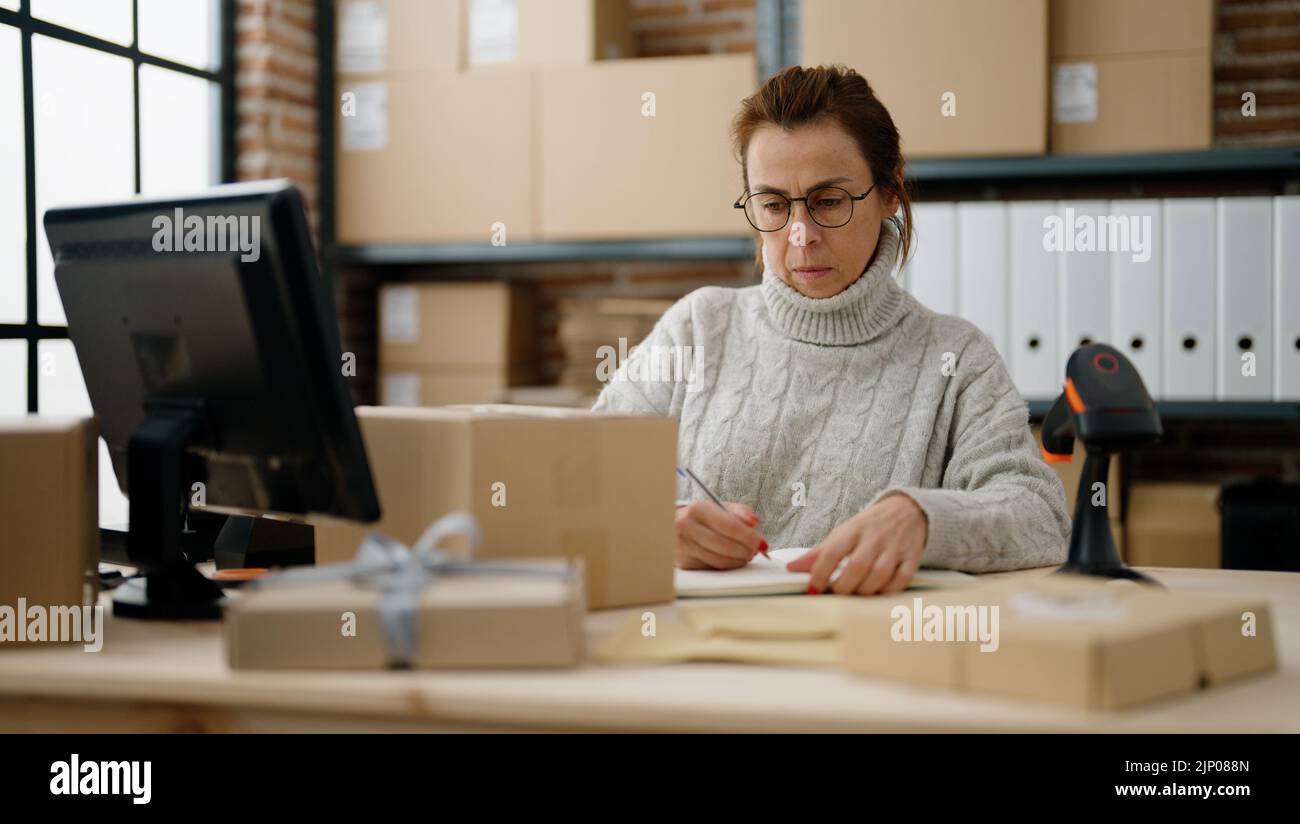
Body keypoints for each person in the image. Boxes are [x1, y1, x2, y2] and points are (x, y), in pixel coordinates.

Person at [593, 65, 1070, 596]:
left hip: (865, 660)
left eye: (829, 201)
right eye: (773, 205)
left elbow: (1041, 518)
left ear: (889, 192)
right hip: (700, 654)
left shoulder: (956, 358)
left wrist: (924, 518)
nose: (801, 236)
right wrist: (654, 524)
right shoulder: (698, 327)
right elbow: (578, 482)